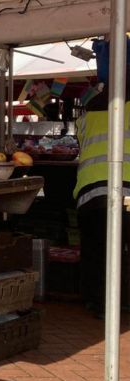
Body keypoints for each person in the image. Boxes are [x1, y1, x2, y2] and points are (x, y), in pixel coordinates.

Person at [73, 81, 130, 316]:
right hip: (126, 191)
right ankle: (123, 300)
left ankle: (96, 302)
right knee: (124, 247)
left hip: (88, 192)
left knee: (95, 247)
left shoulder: (87, 115)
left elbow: (80, 143)